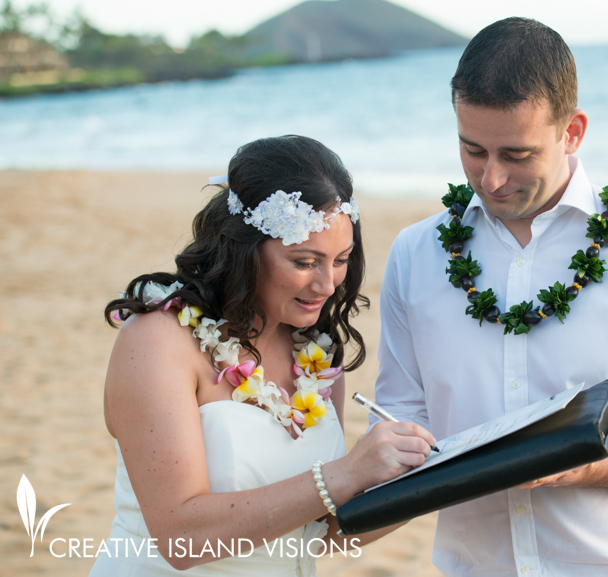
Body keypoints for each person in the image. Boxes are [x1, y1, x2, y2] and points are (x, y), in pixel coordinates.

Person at [371, 17, 608, 577]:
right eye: (472, 149)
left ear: (573, 132)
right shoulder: (415, 254)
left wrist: (591, 465)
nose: (491, 179)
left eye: (517, 155)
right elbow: (400, 416)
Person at [90, 135, 436, 577]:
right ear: (244, 249)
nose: (327, 285)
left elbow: (316, 533)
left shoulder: (316, 352)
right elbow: (181, 538)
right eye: (304, 261)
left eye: (341, 259)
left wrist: (430, 481)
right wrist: (344, 474)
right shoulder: (158, 341)